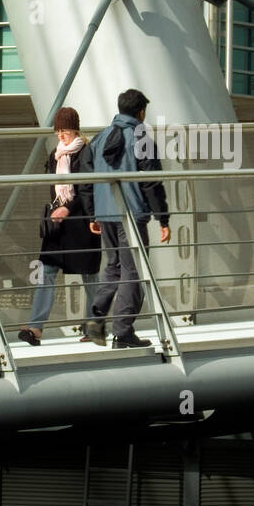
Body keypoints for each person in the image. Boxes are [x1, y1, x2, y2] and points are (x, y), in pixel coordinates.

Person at [83, 89, 171, 349]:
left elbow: (85, 178)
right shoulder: (141, 137)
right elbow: (151, 181)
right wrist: (163, 218)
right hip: (131, 216)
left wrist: (92, 213)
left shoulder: (99, 138)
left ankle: (96, 317)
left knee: (114, 268)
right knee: (132, 272)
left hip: (105, 214)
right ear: (141, 112)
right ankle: (122, 333)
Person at [19, 108, 102, 346]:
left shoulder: (86, 153)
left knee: (90, 275)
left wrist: (68, 208)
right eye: (57, 131)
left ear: (74, 128)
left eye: (64, 130)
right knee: (46, 270)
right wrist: (59, 208)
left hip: (81, 221)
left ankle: (94, 327)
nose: (60, 136)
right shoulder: (55, 155)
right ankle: (35, 328)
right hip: (58, 223)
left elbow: (88, 189)